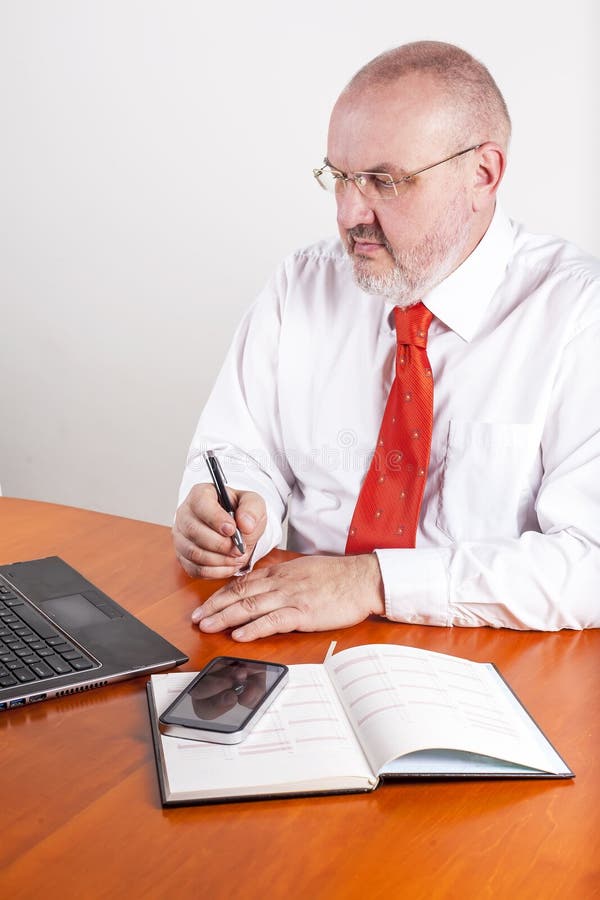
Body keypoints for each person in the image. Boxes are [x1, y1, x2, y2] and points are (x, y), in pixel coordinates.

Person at [173, 41, 600, 640]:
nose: (350, 213)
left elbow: (590, 564)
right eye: (340, 177)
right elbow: (239, 450)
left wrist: (372, 582)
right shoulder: (303, 284)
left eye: (384, 182)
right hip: (304, 637)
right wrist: (235, 509)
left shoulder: (579, 314)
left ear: (483, 174)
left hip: (489, 658)